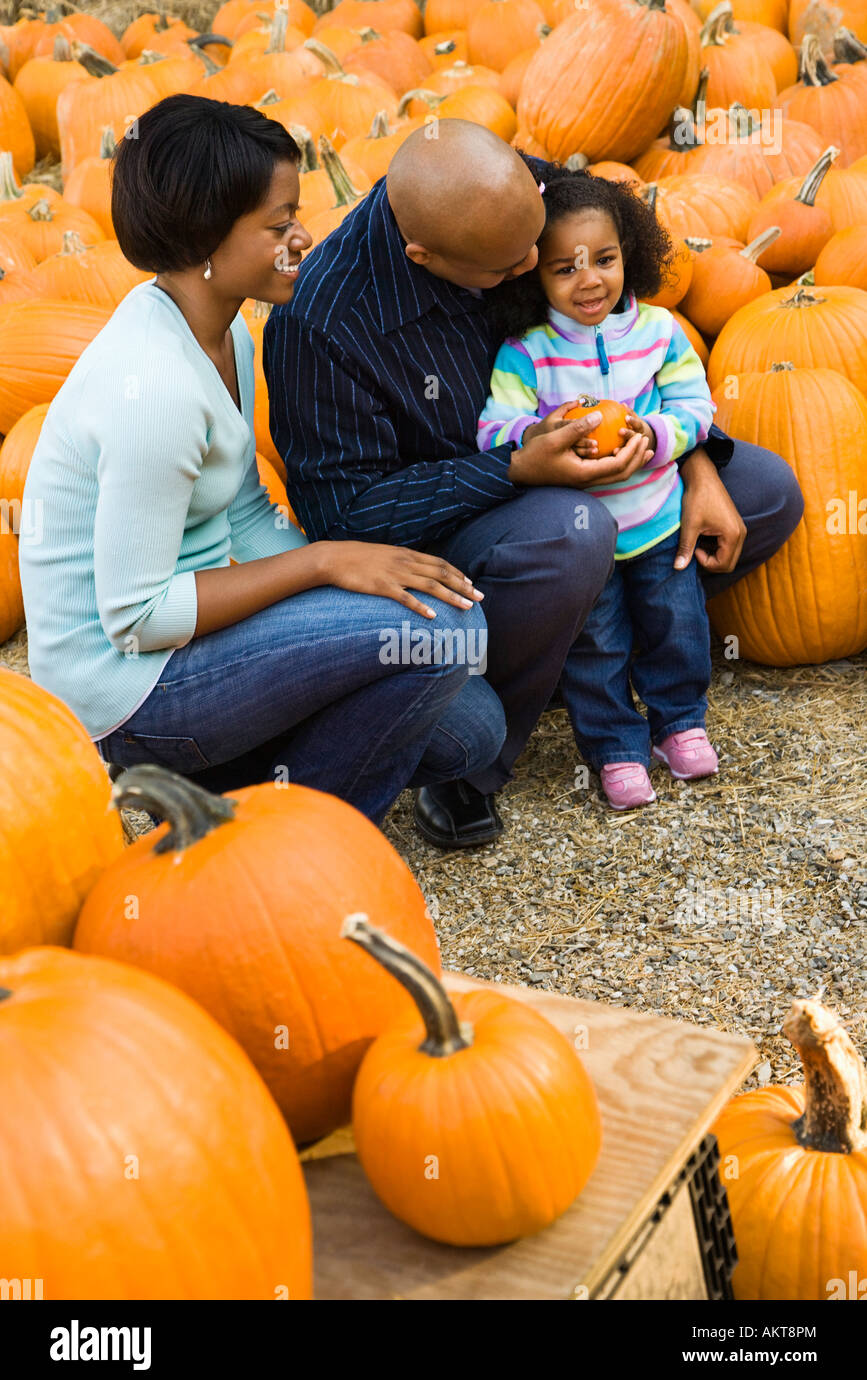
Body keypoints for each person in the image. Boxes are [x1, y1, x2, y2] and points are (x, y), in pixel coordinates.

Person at [265, 120, 804, 846]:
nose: (533, 265)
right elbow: (347, 516)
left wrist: (693, 461)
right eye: (506, 267)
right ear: (424, 256)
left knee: (765, 491)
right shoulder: (322, 323)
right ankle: (476, 759)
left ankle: (579, 645)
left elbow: (633, 321)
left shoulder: (518, 184)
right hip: (469, 530)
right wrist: (514, 467)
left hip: (622, 473)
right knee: (571, 533)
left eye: (536, 246)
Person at [18, 95, 506, 827]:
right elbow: (138, 617)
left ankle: (243, 773)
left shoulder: (226, 333)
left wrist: (341, 605)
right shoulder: (155, 391)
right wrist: (325, 566)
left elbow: (245, 511)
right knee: (440, 636)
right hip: (133, 690)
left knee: (470, 731)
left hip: (205, 642)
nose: (302, 238)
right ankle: (291, 835)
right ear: (206, 237)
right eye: (278, 225)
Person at [478, 171, 721, 809]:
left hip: (658, 517)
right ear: (535, 275)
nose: (589, 281)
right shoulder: (526, 352)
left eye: (605, 260)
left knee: (678, 626)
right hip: (585, 538)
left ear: (628, 254)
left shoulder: (661, 333)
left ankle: (679, 723)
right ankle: (614, 750)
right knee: (597, 644)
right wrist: (544, 431)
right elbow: (492, 431)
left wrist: (658, 433)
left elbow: (697, 407)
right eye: (565, 268)